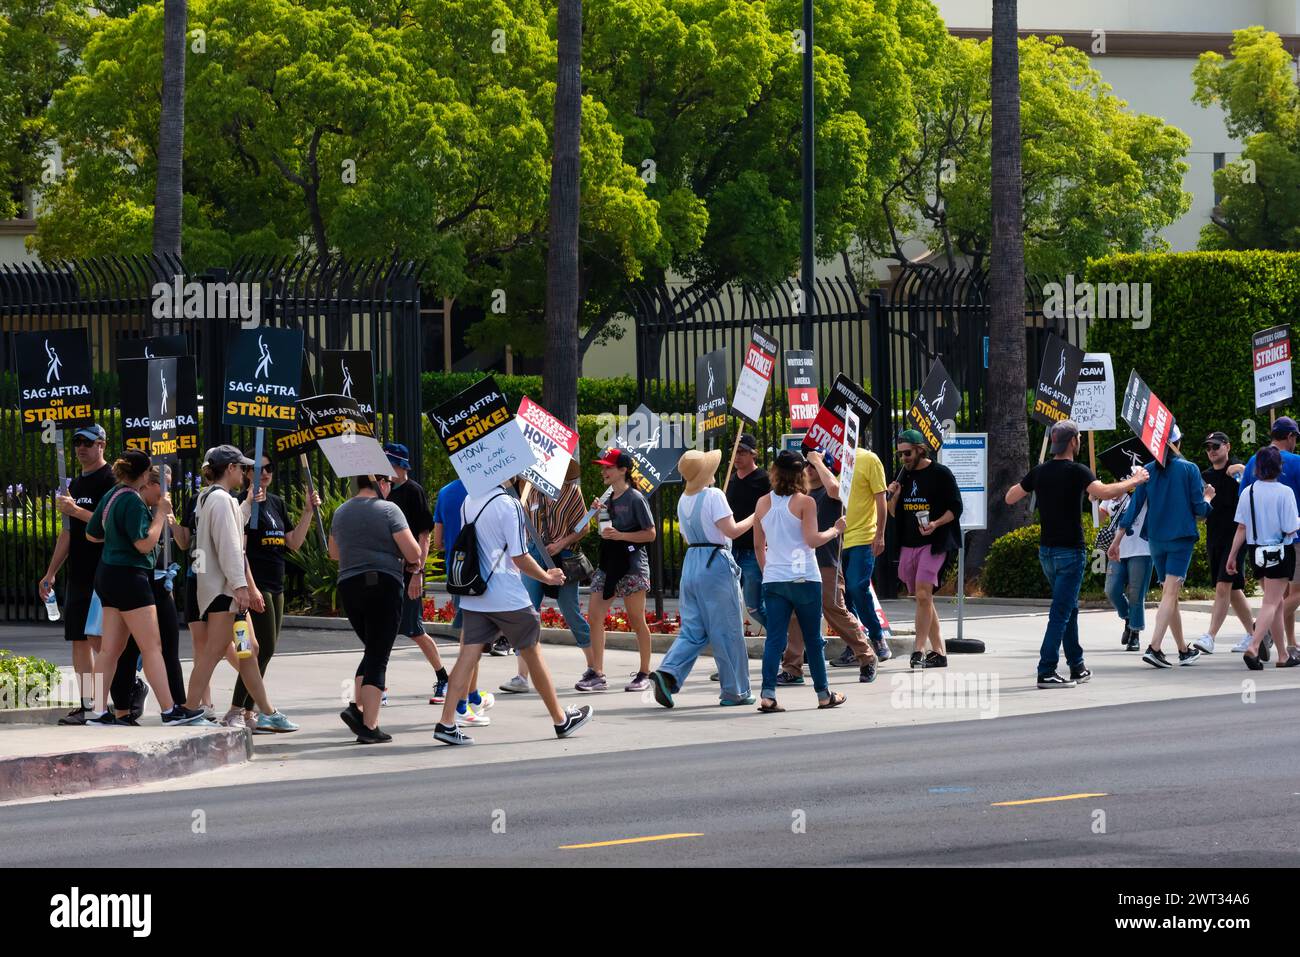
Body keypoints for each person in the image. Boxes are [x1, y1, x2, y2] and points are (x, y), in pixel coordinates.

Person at [433, 480, 594, 746]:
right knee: (533, 653)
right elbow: (520, 557)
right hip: (507, 595)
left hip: (476, 594)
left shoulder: (470, 501)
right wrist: (547, 576)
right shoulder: (509, 505)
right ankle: (560, 719)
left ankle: (447, 722)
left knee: (467, 656)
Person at [1006, 419, 1147, 688]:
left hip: (1046, 552)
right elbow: (1104, 491)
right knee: (1061, 612)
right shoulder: (1077, 471)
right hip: (1070, 551)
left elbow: (1010, 497)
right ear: (1073, 441)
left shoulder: (1040, 471)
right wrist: (1135, 480)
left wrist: (1033, 482)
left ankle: (1077, 666)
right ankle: (1046, 670)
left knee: (1068, 608)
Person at [82, 450, 205, 725]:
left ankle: (99, 712)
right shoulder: (133, 501)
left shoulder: (111, 496)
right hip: (130, 577)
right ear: (141, 474)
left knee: (110, 649)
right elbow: (144, 544)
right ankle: (169, 710)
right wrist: (160, 515)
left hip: (107, 575)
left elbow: (91, 534)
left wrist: (116, 539)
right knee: (152, 646)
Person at [185, 445, 297, 732]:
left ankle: (265, 710)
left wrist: (247, 503)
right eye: (242, 467)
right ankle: (189, 709)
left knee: (249, 649)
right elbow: (231, 547)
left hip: (222, 591)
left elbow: (233, 525)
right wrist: (241, 585)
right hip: (225, 592)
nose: (248, 473)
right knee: (215, 651)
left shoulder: (211, 497)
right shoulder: (220, 500)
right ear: (231, 468)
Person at [648, 449, 755, 708]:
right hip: (715, 562)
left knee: (693, 629)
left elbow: (687, 537)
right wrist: (756, 516)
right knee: (727, 630)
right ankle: (735, 691)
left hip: (692, 562)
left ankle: (668, 672)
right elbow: (732, 530)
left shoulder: (684, 498)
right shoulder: (714, 495)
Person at [225, 451, 319, 726]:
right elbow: (239, 551)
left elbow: (293, 543)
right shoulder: (242, 504)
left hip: (276, 585)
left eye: (269, 468)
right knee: (255, 650)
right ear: (245, 473)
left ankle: (246, 710)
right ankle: (240, 710)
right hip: (255, 586)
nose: (265, 473)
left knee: (264, 650)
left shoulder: (276, 503)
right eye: (258, 468)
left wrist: (308, 512)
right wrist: (251, 588)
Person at [331, 473, 424, 743]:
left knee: (372, 648)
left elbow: (334, 553)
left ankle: (356, 709)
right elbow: (414, 552)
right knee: (378, 656)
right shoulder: (389, 510)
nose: (390, 488)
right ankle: (369, 726)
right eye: (389, 484)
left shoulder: (340, 512)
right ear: (380, 482)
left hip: (349, 587)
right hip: (383, 584)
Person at [753, 450, 848, 713]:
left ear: (774, 472)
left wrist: (768, 571)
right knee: (813, 639)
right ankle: (823, 693)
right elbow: (812, 540)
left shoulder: (762, 503)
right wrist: (835, 529)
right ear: (801, 473)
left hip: (774, 579)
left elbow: (759, 546)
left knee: (774, 639)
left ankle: (768, 694)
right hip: (805, 577)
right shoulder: (806, 502)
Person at [778, 451, 879, 685]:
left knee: (834, 609)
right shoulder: (801, 494)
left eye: (812, 466)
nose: (809, 469)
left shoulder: (831, 490)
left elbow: (835, 489)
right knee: (795, 614)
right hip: (800, 562)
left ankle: (867, 655)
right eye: (806, 465)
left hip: (826, 561)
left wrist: (817, 460)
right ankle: (792, 668)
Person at [1118, 425, 1214, 670]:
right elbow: (1200, 510)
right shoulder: (1190, 468)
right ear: (1177, 443)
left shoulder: (1148, 471)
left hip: (1156, 540)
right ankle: (1155, 647)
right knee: (1170, 594)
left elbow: (1133, 507)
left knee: (1170, 596)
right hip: (1180, 538)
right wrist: (1209, 498)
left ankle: (1183, 649)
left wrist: (1117, 540)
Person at [40, 424, 116, 725]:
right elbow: (67, 533)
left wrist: (77, 511)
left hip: (105, 572)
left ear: (102, 445)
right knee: (78, 641)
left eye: (88, 442)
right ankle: (87, 704)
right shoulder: (76, 486)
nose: (81, 447)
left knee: (101, 641)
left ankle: (116, 696)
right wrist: (51, 572)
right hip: (79, 574)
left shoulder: (110, 480)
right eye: (77, 442)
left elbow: (111, 524)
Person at [504, 461, 593, 695]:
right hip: (535, 552)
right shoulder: (530, 489)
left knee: (570, 611)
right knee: (527, 610)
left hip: (563, 555)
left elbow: (584, 527)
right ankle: (521, 676)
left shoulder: (571, 491)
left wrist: (561, 543)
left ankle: (594, 668)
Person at [579, 449, 656, 693]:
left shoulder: (635, 498)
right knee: (594, 614)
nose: (603, 471)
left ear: (623, 470)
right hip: (608, 563)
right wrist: (599, 513)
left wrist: (621, 535)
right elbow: (605, 532)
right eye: (602, 467)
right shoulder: (608, 499)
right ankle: (597, 673)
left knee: (636, 619)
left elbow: (651, 533)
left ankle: (645, 672)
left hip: (632, 565)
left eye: (608, 467)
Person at [888, 429, 963, 670]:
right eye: (900, 455)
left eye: (907, 453)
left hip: (935, 542)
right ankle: (939, 652)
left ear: (921, 449)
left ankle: (919, 649)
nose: (904, 459)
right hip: (909, 544)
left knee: (923, 594)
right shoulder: (903, 478)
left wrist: (936, 523)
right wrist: (894, 497)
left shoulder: (940, 473)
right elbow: (891, 513)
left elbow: (956, 508)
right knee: (923, 597)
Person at [383, 443, 450, 704]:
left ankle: (443, 677)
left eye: (390, 463)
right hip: (386, 570)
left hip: (409, 570)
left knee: (414, 629)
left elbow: (425, 535)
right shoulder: (382, 491)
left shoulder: (414, 491)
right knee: (383, 630)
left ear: (401, 466)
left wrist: (418, 571)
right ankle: (381, 686)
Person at [1225, 445, 1300, 670]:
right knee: (1271, 603)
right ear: (1279, 467)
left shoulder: (1248, 491)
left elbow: (1241, 527)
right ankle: (1254, 646)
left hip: (1255, 553)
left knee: (1275, 604)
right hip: (1279, 552)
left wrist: (1232, 556)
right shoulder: (1284, 492)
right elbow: (1289, 528)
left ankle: (1283, 655)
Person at [1192, 431, 1255, 654]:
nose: (1211, 451)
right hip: (1214, 536)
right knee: (1234, 589)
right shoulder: (1204, 476)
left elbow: (1261, 483)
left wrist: (1243, 471)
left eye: (1216, 447)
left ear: (1227, 446)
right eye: (1208, 448)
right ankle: (1255, 634)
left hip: (1236, 536)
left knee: (1223, 586)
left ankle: (1210, 636)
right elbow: (1200, 512)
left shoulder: (1238, 468)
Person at [837, 440, 891, 662]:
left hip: (862, 537)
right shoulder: (828, 462)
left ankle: (877, 637)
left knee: (857, 587)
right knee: (843, 597)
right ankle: (855, 645)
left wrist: (880, 534)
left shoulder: (869, 459)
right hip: (836, 539)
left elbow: (881, 498)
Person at [725, 433, 770, 633]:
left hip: (754, 551)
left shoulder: (764, 479)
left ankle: (789, 640)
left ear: (754, 454)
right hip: (732, 551)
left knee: (754, 607)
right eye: (734, 451)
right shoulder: (730, 480)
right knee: (730, 605)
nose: (737, 456)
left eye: (742, 452)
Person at [1101, 487, 1153, 653]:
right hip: (1117, 549)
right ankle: (1128, 618)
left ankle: (1135, 633)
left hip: (1141, 549)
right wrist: (1094, 499)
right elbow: (1100, 518)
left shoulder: (1145, 490)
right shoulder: (1114, 491)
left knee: (1136, 594)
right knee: (1111, 589)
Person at [432, 475, 469, 643]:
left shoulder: (445, 492)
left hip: (455, 562)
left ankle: (467, 646)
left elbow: (438, 541)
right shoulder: (485, 490)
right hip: (483, 561)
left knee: (462, 612)